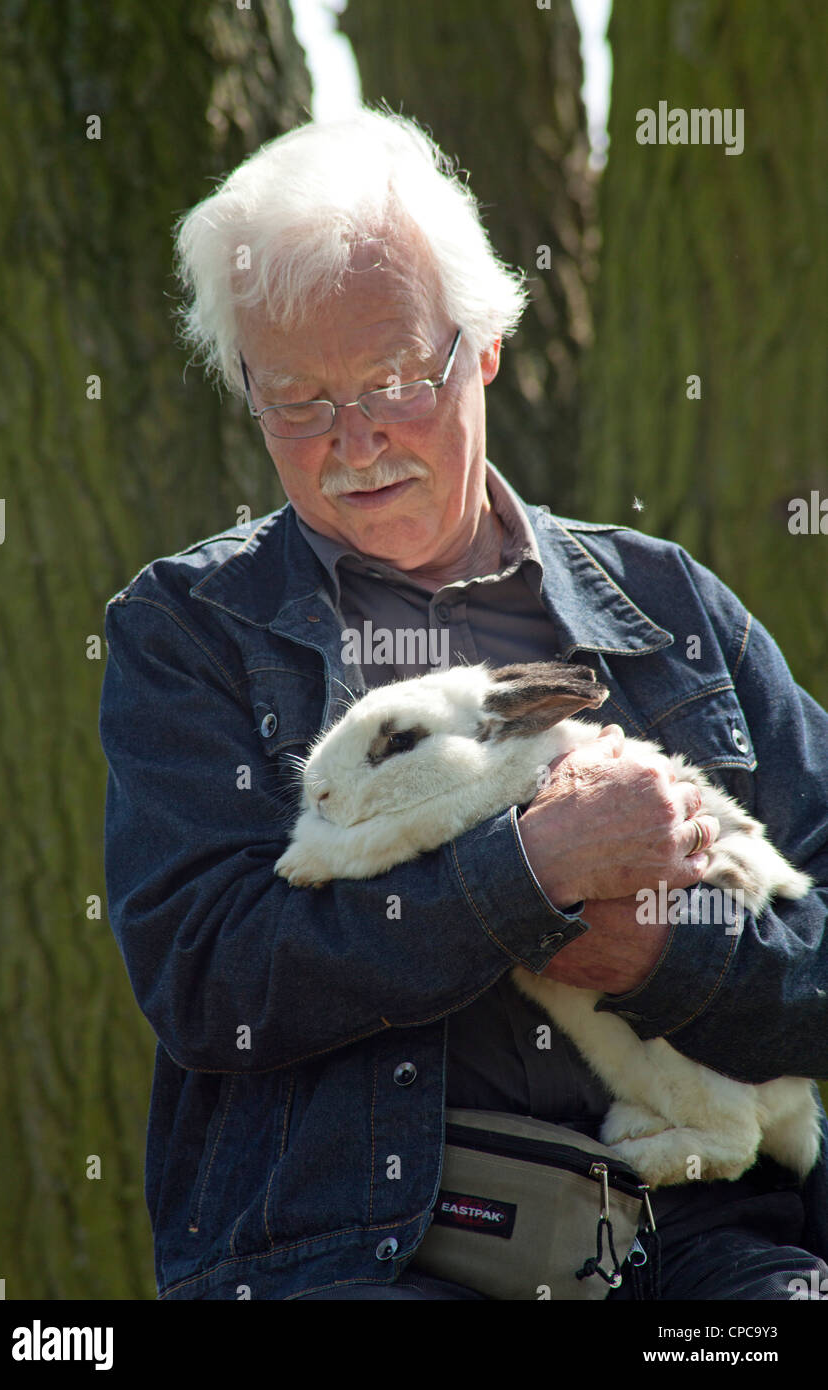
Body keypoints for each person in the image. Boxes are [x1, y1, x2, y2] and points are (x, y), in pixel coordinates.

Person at [98, 107, 828, 1301]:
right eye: (294, 401)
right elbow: (206, 977)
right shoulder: (188, 633)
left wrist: (666, 954)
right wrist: (523, 877)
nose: (354, 439)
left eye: (390, 379)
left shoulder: (670, 609)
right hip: (355, 1257)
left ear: (480, 344)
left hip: (699, 1245)